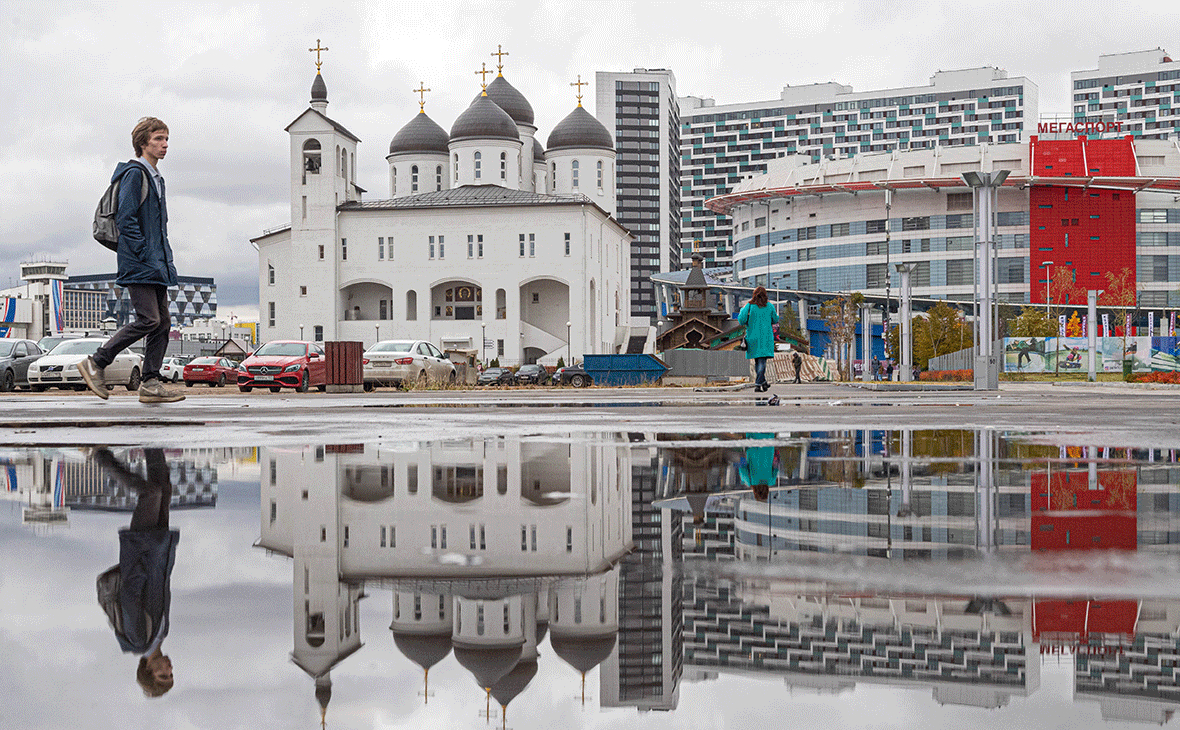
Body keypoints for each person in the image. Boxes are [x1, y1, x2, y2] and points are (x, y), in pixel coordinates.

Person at [77, 117, 184, 403]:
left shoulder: (156, 178)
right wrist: (143, 253)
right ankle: (97, 362)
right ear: (143, 143)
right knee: (149, 319)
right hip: (141, 261)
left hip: (156, 262)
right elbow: (126, 218)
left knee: (163, 323)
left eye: (166, 139)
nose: (165, 144)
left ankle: (150, 383)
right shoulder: (135, 174)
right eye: (159, 139)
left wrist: (160, 258)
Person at [93, 447, 180, 698]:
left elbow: (130, 596)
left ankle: (100, 457)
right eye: (171, 674)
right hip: (157, 552)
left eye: (163, 675)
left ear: (148, 670)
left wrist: (141, 564)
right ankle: (152, 442)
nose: (169, 669)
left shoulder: (139, 640)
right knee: (163, 488)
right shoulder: (161, 633)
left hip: (143, 552)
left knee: (150, 494)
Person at [738, 286, 779, 392]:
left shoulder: (749, 306)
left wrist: (743, 309)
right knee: (762, 361)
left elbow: (741, 320)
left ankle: (763, 383)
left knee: (758, 361)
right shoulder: (769, 306)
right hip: (766, 337)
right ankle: (758, 384)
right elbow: (775, 319)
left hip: (752, 337)